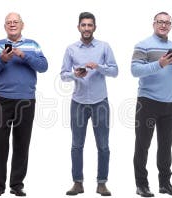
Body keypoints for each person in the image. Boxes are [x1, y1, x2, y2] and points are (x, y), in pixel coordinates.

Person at [0, 12, 48, 197]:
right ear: (5, 26)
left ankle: (17, 184)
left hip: (26, 99)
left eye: (15, 22)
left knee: (22, 142)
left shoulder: (33, 45)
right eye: (9, 22)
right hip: (2, 99)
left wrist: (24, 56)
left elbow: (43, 67)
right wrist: (2, 60)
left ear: (22, 25)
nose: (12, 24)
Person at [130, 11, 172, 197]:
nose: (163, 25)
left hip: (170, 103)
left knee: (166, 146)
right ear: (153, 24)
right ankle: (141, 185)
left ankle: (165, 184)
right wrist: (160, 64)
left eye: (167, 23)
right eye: (160, 22)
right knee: (143, 145)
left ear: (170, 26)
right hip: (147, 102)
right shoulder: (143, 45)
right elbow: (135, 70)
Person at [60, 12, 117, 197]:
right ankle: (77, 183)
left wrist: (98, 67)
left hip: (100, 102)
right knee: (77, 145)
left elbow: (115, 71)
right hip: (78, 102)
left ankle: (102, 183)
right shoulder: (71, 49)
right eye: (83, 25)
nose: (86, 28)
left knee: (103, 145)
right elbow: (63, 74)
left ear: (94, 27)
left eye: (89, 25)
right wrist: (74, 74)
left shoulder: (104, 47)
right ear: (78, 27)